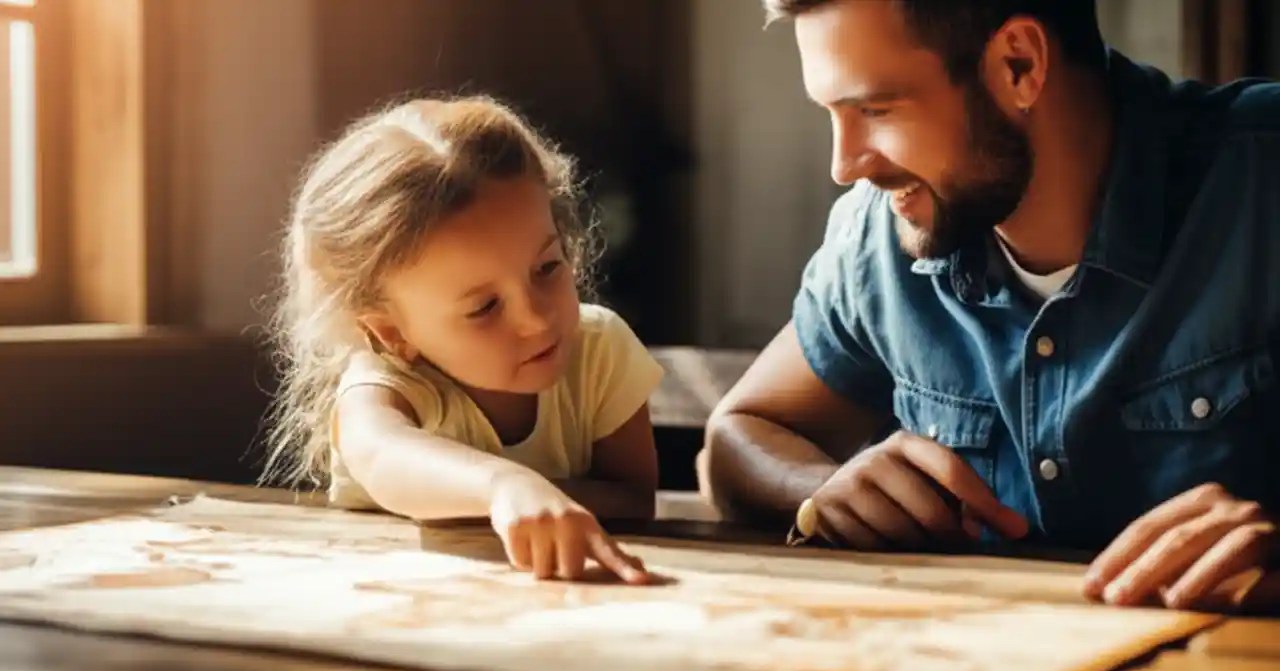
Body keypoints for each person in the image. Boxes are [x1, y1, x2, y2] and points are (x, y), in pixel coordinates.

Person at [703, 0, 1280, 611]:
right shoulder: (879, 236)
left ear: (1018, 65)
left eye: (875, 109)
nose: (844, 166)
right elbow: (736, 437)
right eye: (832, 114)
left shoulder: (1260, 179)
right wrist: (820, 488)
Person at [264, 96, 664, 585]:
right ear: (391, 333)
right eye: (484, 308)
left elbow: (634, 501)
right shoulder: (385, 383)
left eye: (548, 267)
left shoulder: (599, 350)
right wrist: (505, 486)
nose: (538, 320)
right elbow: (381, 454)